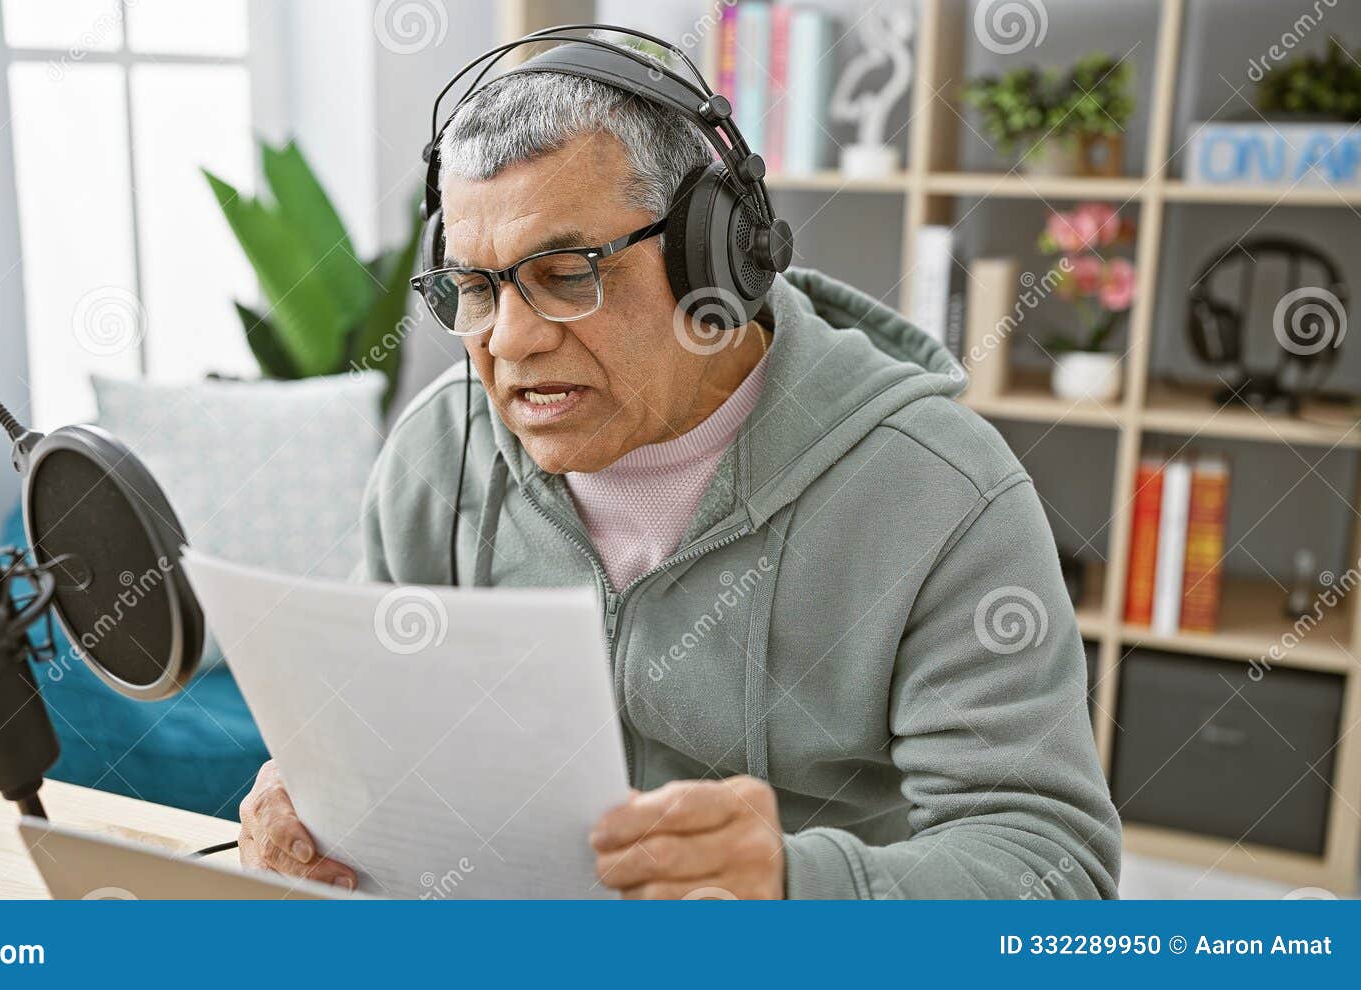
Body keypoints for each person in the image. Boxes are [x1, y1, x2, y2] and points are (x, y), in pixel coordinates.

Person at [236, 45, 1121, 899]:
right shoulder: (438, 454)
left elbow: (1053, 871)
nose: (509, 340)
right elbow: (369, 726)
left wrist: (793, 886)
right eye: (475, 288)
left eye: (564, 272)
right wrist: (310, 807)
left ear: (717, 258)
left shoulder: (944, 493)